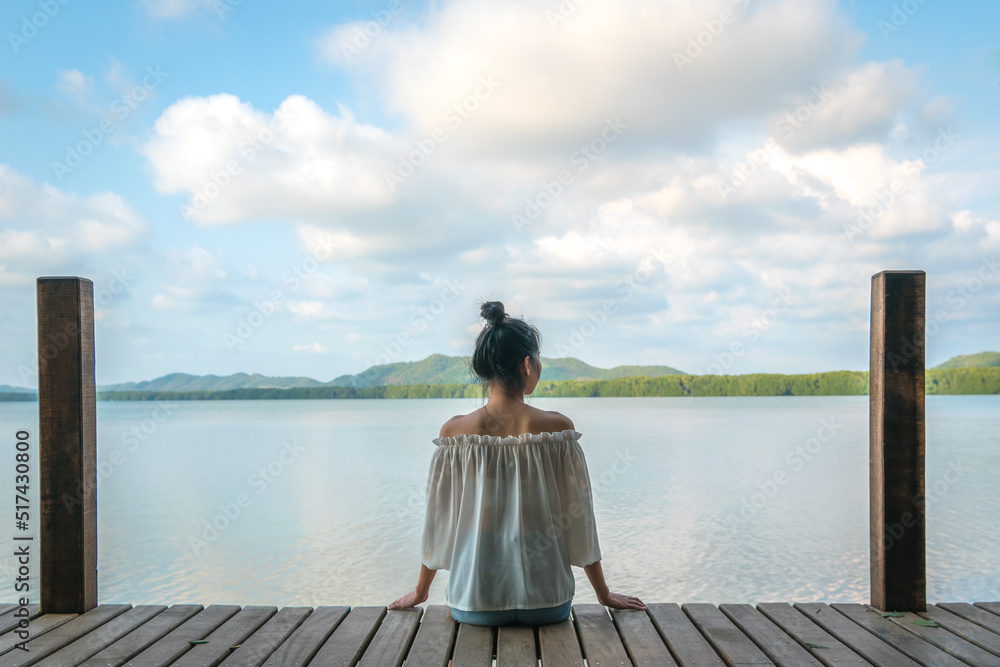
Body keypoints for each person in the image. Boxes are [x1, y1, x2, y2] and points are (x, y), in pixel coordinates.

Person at [388, 300, 645, 625]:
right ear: (527, 364)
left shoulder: (454, 434)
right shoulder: (558, 430)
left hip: (473, 603)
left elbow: (439, 522)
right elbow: (579, 519)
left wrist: (420, 592)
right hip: (548, 603)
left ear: (484, 367)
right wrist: (603, 594)